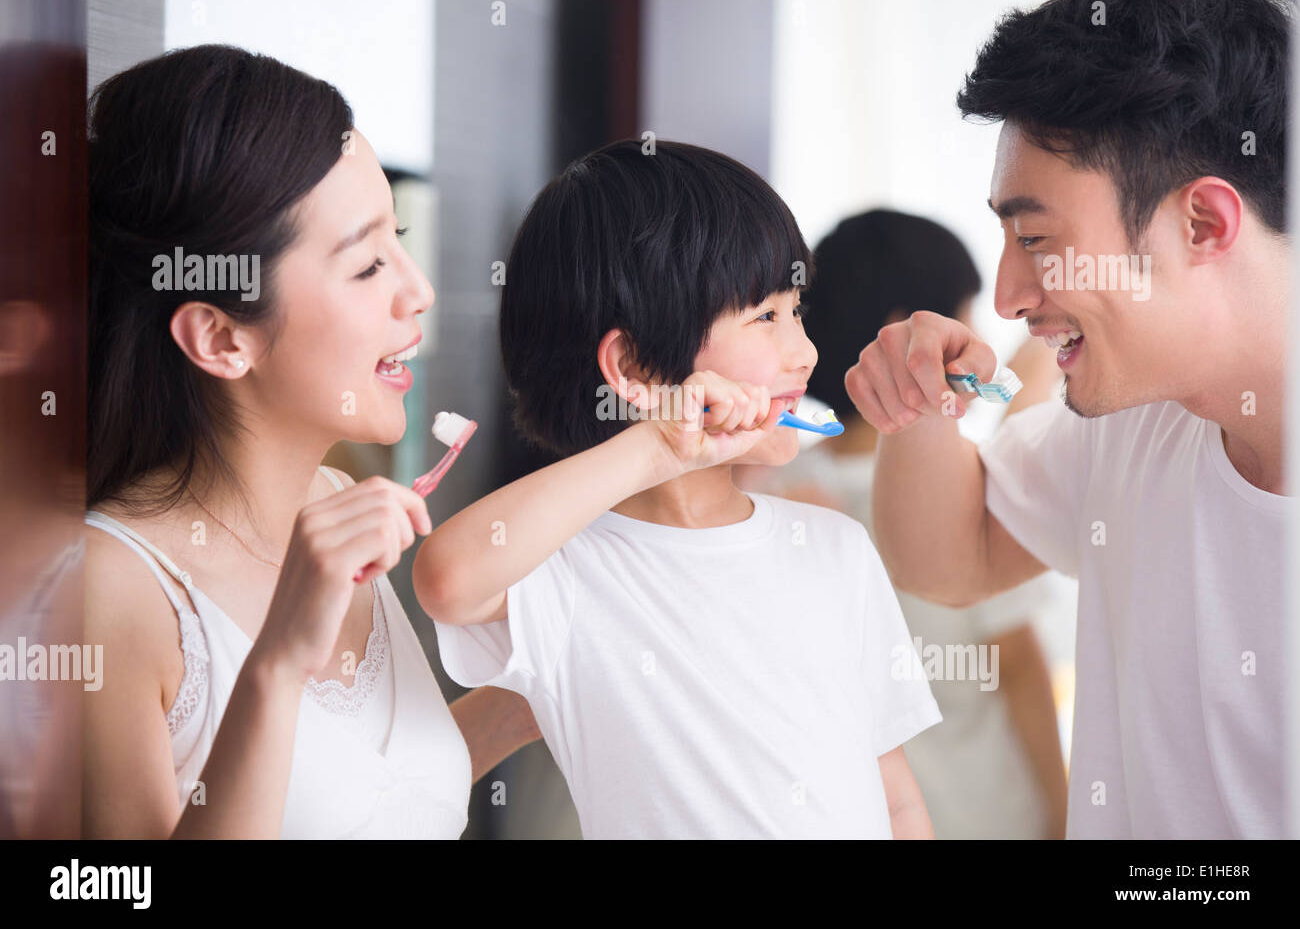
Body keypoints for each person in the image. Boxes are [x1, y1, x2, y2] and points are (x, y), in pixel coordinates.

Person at [847, 0, 1290, 838]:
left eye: (1038, 240)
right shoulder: (1141, 416)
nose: (1009, 295)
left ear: (1203, 222)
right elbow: (952, 557)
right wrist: (920, 401)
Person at [414, 140, 941, 839]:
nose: (806, 351)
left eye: (798, 310)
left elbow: (896, 799)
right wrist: (657, 445)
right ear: (632, 365)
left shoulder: (835, 548)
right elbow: (447, 578)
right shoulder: (562, 574)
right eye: (766, 316)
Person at [82, 45, 540, 838]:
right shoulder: (107, 591)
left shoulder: (335, 502)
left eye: (398, 236)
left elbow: (363, 802)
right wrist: (279, 663)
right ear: (222, 337)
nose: (418, 290)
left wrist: (546, 690)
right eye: (367, 266)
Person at [739, 209, 1072, 838]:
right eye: (965, 315)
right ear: (909, 337)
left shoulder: (774, 491)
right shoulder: (965, 492)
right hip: (989, 816)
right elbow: (1020, 671)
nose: (983, 338)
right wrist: (1063, 817)